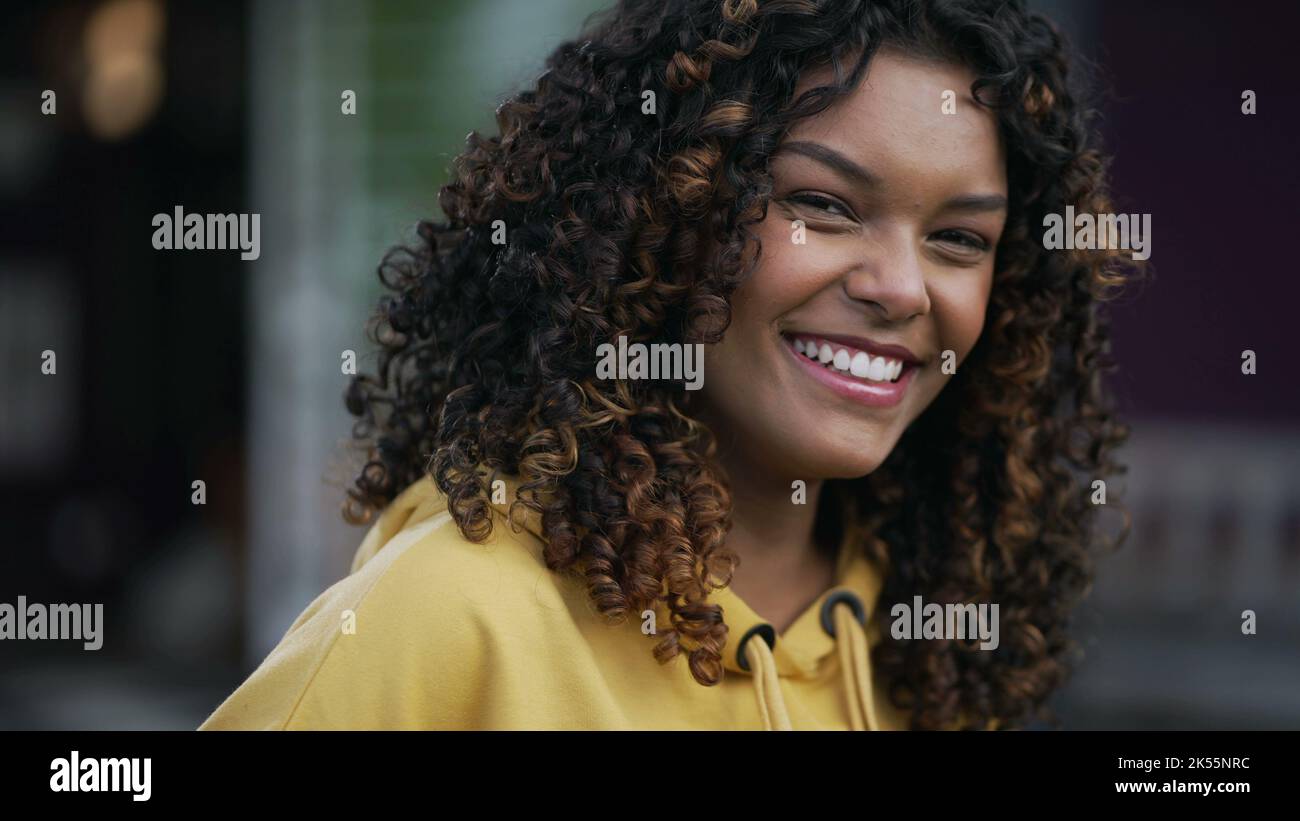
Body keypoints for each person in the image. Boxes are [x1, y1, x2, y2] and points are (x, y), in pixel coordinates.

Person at [201, 0, 1134, 731]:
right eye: (824, 203)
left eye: (959, 238)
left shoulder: (931, 651)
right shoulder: (446, 621)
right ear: (666, 214)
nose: (902, 287)